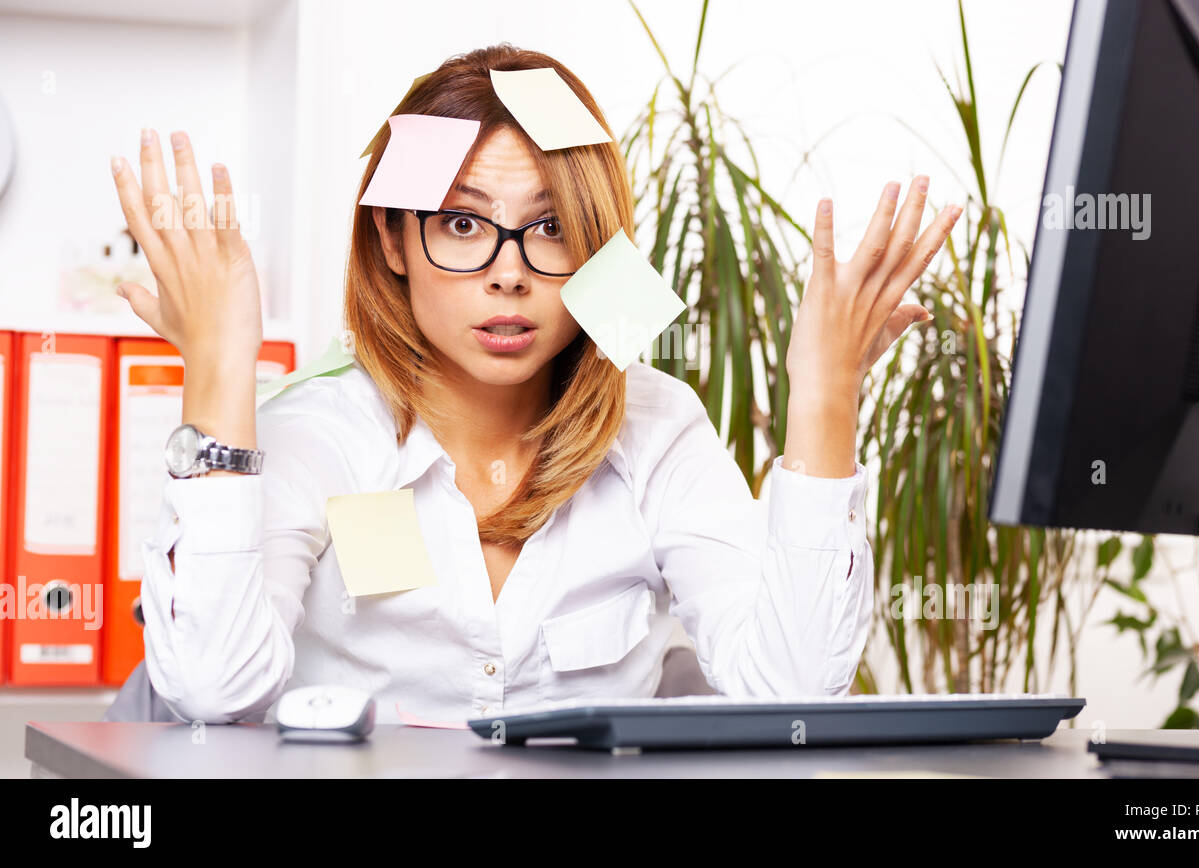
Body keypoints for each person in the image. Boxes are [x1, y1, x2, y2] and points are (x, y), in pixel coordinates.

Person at [109, 44, 961, 725]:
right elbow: (214, 692)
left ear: (596, 247)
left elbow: (796, 696)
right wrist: (219, 368)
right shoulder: (321, 432)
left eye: (550, 227)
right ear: (395, 244)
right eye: (462, 222)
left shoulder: (658, 427)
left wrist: (824, 396)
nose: (508, 273)